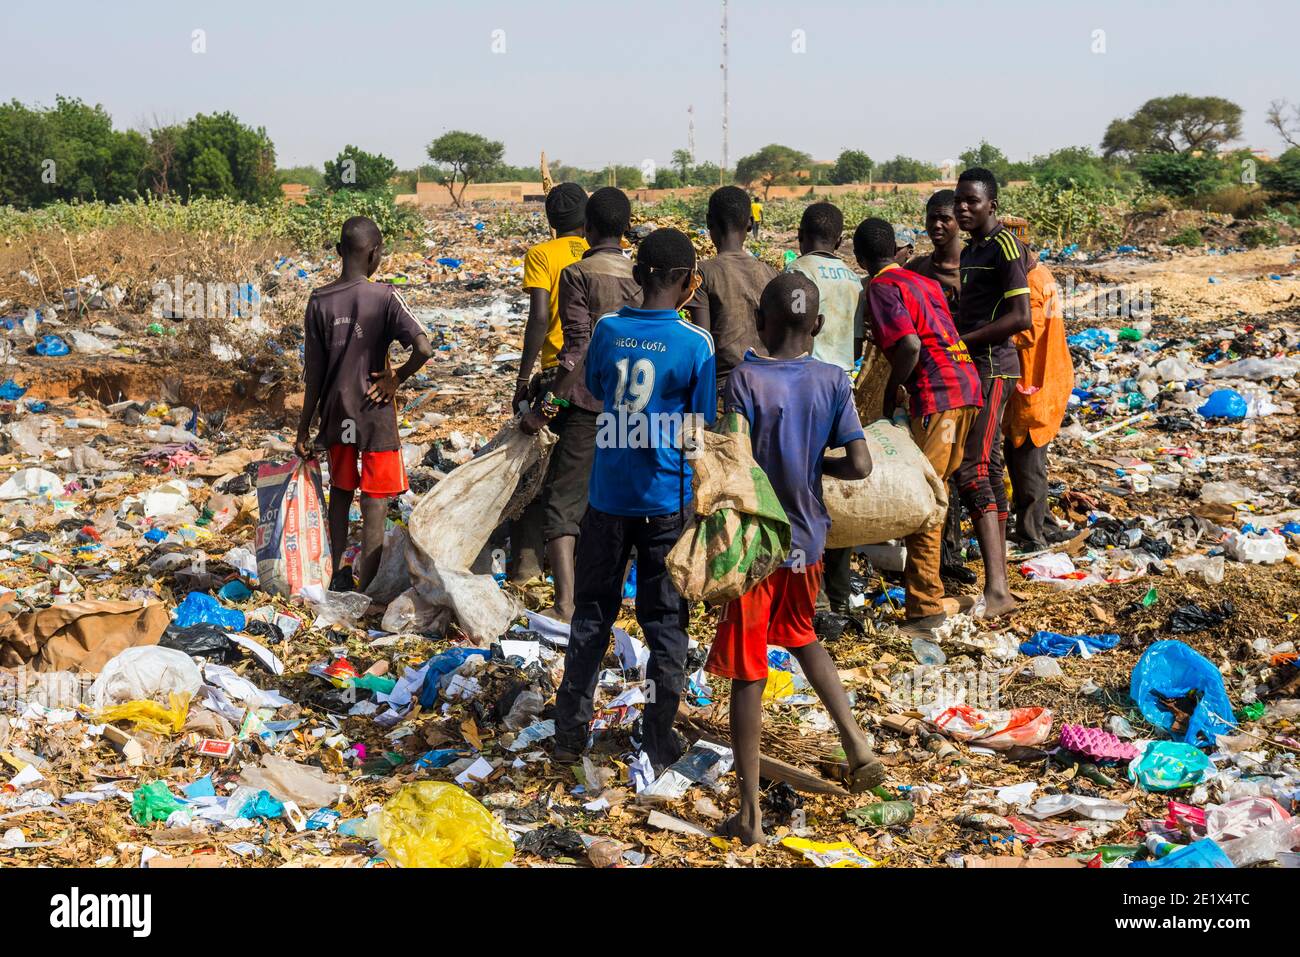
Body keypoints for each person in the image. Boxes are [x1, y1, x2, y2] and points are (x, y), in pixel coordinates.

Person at [706, 272, 883, 846]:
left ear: (760, 322)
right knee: (803, 635)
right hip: (807, 542)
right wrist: (814, 465)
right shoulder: (833, 380)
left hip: (756, 545)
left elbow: (732, 462)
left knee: (748, 671)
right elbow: (860, 465)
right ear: (820, 325)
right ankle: (856, 743)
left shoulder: (744, 380)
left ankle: (750, 814)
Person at [551, 228, 716, 773]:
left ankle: (569, 734)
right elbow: (700, 426)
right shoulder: (695, 343)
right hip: (666, 500)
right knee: (665, 623)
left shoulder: (608, 329)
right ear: (689, 281)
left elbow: (599, 388)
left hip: (607, 499)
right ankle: (658, 739)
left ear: (639, 274)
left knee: (591, 615)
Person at [855, 219, 983, 632]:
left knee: (925, 497)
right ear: (895, 249)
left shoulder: (881, 286)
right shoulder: (924, 282)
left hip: (938, 395)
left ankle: (925, 607)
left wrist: (893, 390)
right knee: (938, 489)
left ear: (859, 257)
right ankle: (932, 590)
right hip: (967, 387)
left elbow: (910, 344)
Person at [295, 216, 433, 592]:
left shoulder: (319, 300)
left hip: (336, 412)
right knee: (374, 498)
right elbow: (423, 348)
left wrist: (304, 428)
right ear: (375, 254)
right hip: (375, 413)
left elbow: (313, 373)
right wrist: (397, 377)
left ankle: (335, 572)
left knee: (341, 491)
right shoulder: (385, 296)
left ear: (339, 251)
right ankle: (367, 587)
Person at [537, 187, 641, 621]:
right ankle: (607, 599)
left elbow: (577, 348)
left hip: (587, 403)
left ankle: (565, 604)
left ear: (588, 228)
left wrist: (548, 402)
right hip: (632, 406)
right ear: (626, 228)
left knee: (563, 505)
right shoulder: (640, 277)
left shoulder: (577, 274)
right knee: (618, 503)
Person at [953, 167, 1032, 617]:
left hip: (993, 369)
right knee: (991, 466)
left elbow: (1021, 317)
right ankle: (999, 585)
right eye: (959, 200)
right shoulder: (971, 251)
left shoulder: (1005, 246)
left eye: (972, 201)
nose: (963, 208)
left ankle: (997, 591)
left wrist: (963, 341)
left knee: (972, 469)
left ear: (992, 205)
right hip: (976, 366)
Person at [785, 201, 866, 615]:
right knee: (837, 492)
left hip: (805, 388)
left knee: (802, 487)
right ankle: (838, 590)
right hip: (843, 388)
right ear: (839, 239)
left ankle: (809, 593)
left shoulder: (796, 272)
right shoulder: (853, 279)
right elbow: (857, 341)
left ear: (801, 235)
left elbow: (788, 331)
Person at [511, 183, 589, 583]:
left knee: (534, 476)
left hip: (555, 378)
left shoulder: (542, 255)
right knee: (578, 475)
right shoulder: (603, 255)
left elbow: (539, 318)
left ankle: (526, 568)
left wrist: (523, 378)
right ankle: (576, 568)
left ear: (550, 220)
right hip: (594, 382)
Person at [906, 190, 976, 586]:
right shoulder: (918, 269)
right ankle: (938, 557)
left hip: (963, 381)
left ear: (959, 223)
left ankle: (949, 553)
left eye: (944, 218)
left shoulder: (971, 271)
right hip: (928, 386)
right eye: (932, 217)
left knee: (961, 470)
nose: (937, 225)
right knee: (934, 474)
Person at [1001, 222, 1075, 552]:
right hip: (1046, 380)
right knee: (1022, 457)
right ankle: (1043, 525)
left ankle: (1032, 535)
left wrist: (985, 333)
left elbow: (1027, 331)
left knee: (1027, 461)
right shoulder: (1040, 273)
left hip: (1035, 383)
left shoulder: (1030, 282)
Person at [687, 186, 777, 394]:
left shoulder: (703, 273)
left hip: (725, 386)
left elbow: (702, 343)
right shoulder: (771, 273)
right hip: (769, 383)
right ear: (749, 223)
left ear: (709, 221)